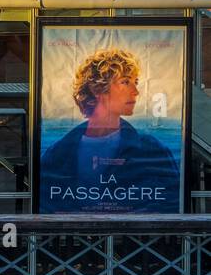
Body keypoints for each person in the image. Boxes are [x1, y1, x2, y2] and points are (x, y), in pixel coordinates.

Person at [40, 47, 181, 213]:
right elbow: (46, 203)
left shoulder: (152, 148)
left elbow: (171, 200)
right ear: (97, 89)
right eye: (125, 82)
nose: (136, 92)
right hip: (80, 237)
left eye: (135, 82)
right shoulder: (58, 152)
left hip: (131, 237)